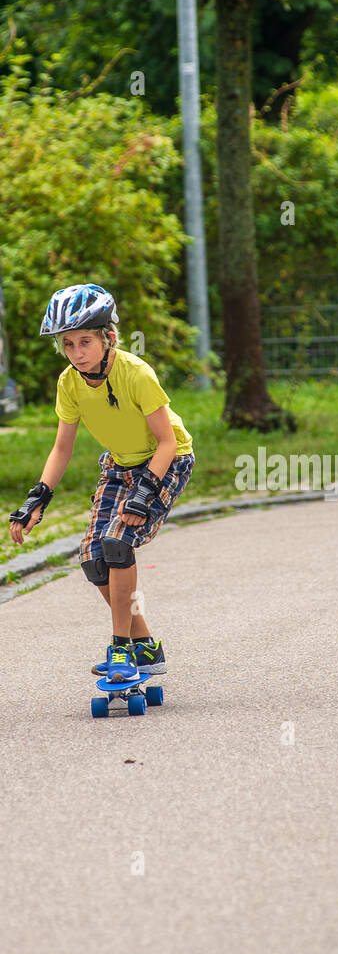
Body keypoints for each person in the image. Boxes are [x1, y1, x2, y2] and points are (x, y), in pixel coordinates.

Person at [9, 284, 195, 682]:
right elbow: (62, 449)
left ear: (108, 338)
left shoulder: (136, 373)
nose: (77, 352)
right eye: (68, 344)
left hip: (167, 460)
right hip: (119, 464)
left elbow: (166, 442)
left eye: (85, 342)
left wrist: (143, 495)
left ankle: (122, 649)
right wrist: (37, 498)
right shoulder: (69, 383)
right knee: (93, 557)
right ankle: (145, 645)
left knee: (118, 544)